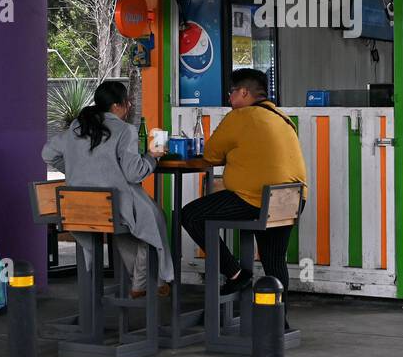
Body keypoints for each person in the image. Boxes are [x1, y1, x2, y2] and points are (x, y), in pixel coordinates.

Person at [179, 68, 307, 307]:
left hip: (255, 199)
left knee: (190, 215)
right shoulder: (282, 117)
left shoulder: (240, 116)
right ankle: (278, 321)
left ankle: (236, 274)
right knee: (274, 259)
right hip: (291, 198)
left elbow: (211, 154)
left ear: (245, 93)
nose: (229, 98)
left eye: (231, 92)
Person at [41, 81, 174, 297]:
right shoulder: (125, 130)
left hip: (78, 208)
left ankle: (143, 282)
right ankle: (148, 281)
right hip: (113, 204)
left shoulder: (77, 126)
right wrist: (153, 156)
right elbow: (134, 174)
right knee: (154, 217)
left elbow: (47, 154)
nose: (129, 106)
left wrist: (74, 169)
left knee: (129, 227)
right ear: (116, 106)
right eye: (126, 103)